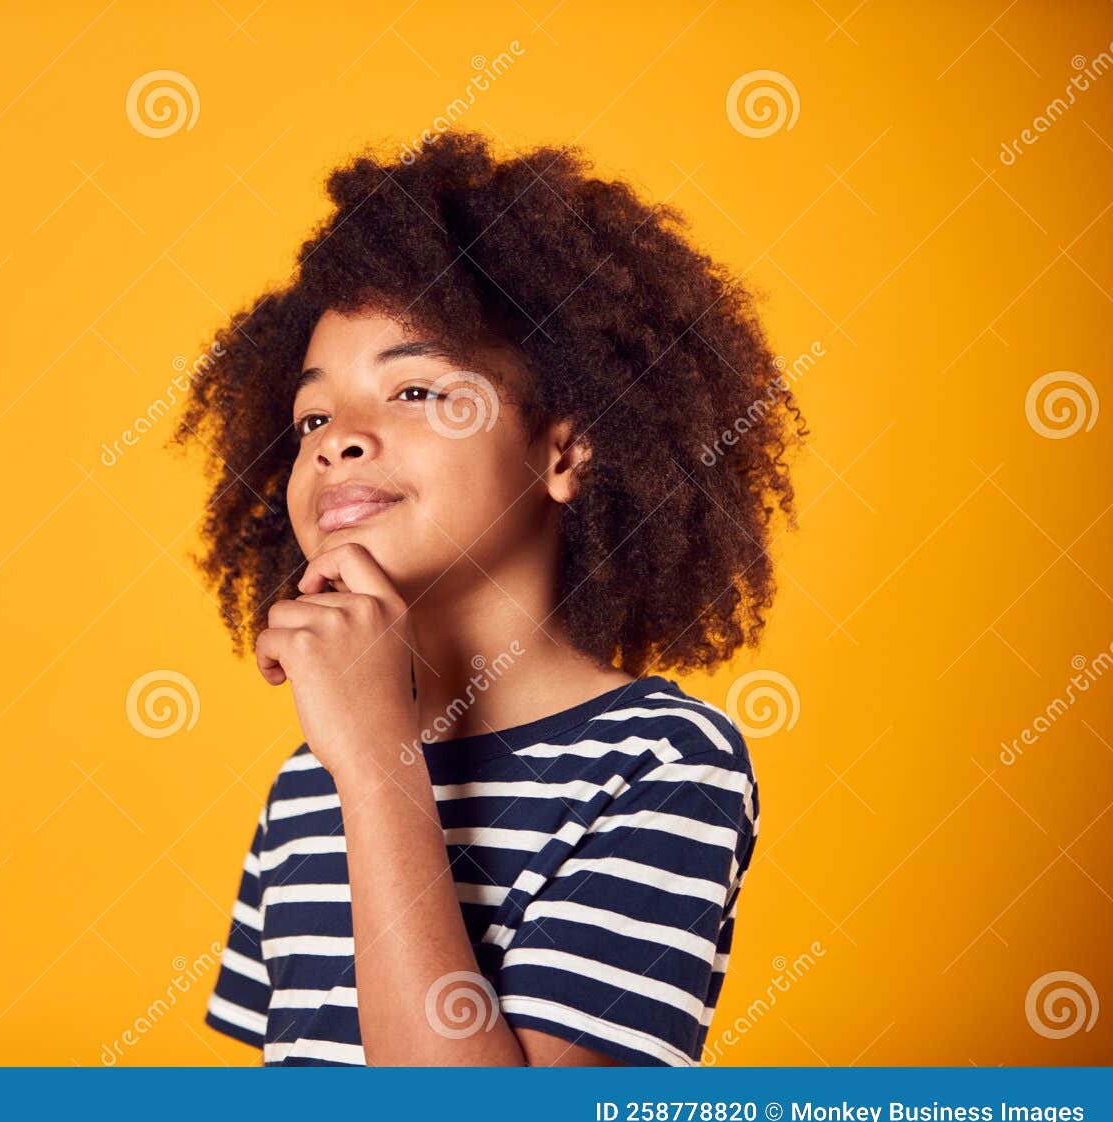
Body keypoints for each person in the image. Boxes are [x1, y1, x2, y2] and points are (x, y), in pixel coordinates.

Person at [169, 129, 804, 1066]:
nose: (336, 438)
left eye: (417, 389)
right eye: (312, 415)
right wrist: (358, 755)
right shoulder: (312, 780)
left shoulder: (661, 758)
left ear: (563, 451)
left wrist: (381, 763)